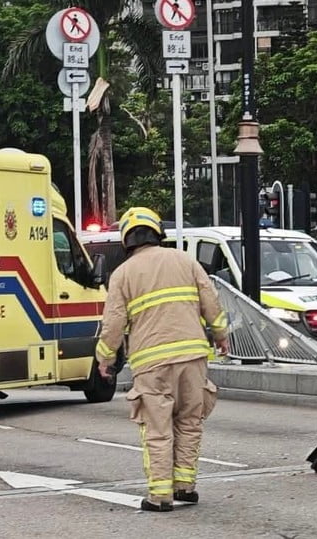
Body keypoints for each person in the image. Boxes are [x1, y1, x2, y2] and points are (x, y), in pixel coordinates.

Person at [94, 207, 230, 512]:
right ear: (158, 233)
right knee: (189, 421)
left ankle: (160, 495)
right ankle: (185, 486)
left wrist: (104, 358)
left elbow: (114, 322)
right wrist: (221, 335)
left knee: (157, 428)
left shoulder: (123, 274)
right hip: (193, 356)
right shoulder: (185, 261)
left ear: (127, 239)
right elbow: (211, 300)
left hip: (152, 362)